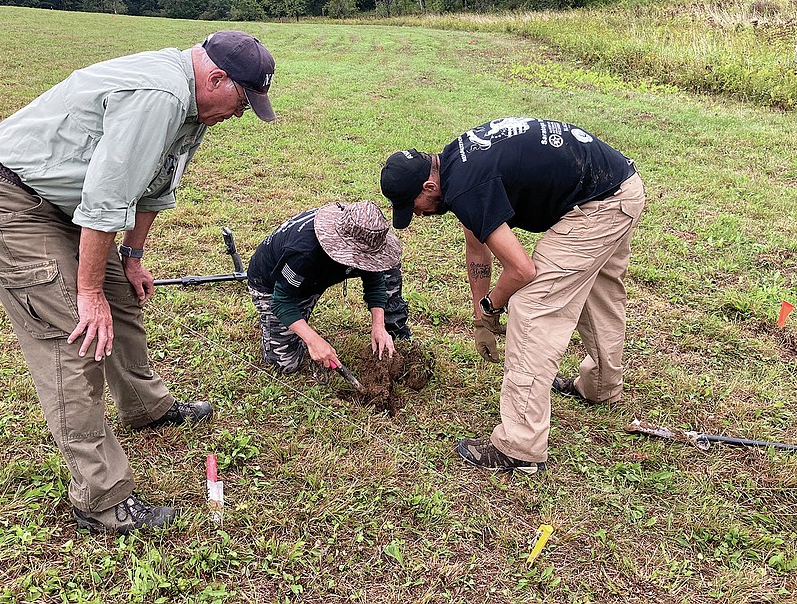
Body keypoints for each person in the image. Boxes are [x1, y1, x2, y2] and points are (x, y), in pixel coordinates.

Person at [0, 31, 276, 533]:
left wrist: (131, 256)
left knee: (121, 298)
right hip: (7, 200)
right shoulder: (161, 97)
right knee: (74, 333)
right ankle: (100, 500)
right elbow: (105, 198)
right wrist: (87, 292)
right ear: (218, 78)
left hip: (62, 205)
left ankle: (144, 406)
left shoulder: (193, 103)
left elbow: (153, 185)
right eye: (242, 101)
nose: (239, 114)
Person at [381, 117, 645, 474]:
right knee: (599, 292)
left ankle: (520, 446)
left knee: (533, 306)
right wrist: (480, 319)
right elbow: (478, 248)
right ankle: (601, 386)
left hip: (599, 205)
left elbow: (522, 271)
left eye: (413, 205)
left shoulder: (465, 188)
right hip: (619, 185)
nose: (417, 214)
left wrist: (493, 305)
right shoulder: (457, 164)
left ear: (429, 186)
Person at [246, 201, 410, 377]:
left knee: (388, 267)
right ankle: (281, 327)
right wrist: (313, 340)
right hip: (270, 284)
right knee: (285, 364)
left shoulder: (364, 229)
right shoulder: (303, 252)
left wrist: (379, 324)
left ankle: (392, 332)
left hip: (315, 276)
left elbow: (375, 277)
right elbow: (282, 302)